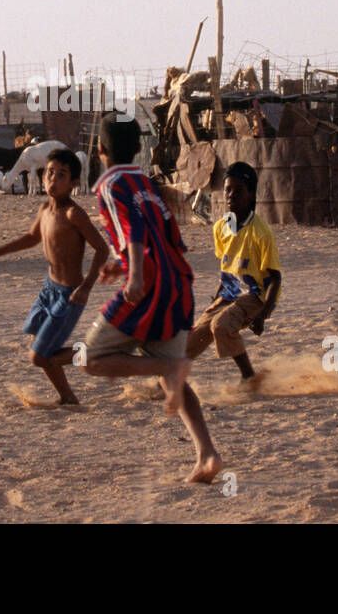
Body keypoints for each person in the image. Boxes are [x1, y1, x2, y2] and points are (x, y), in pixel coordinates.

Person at [81, 114, 222, 484]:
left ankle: (167, 369)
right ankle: (207, 454)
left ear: (100, 151)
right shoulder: (144, 181)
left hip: (151, 284)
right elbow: (168, 232)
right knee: (170, 368)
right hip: (178, 279)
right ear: (139, 148)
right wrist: (122, 264)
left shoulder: (109, 184)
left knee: (92, 359)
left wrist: (137, 275)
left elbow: (135, 229)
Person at [0, 150, 109, 404]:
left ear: (73, 183)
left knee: (39, 356)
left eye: (61, 175)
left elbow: (102, 249)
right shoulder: (44, 209)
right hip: (48, 289)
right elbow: (31, 238)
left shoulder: (74, 214)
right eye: (50, 173)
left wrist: (86, 287)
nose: (53, 179)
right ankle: (67, 396)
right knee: (40, 345)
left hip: (70, 294)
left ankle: (96, 353)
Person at [186, 161, 281, 383]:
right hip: (229, 295)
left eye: (238, 191)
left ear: (251, 195)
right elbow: (227, 268)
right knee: (195, 336)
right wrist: (217, 298)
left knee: (221, 326)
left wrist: (263, 314)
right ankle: (169, 381)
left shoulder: (261, 233)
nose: (231, 196)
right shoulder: (220, 227)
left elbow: (276, 279)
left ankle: (248, 376)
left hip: (256, 296)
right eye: (228, 190)